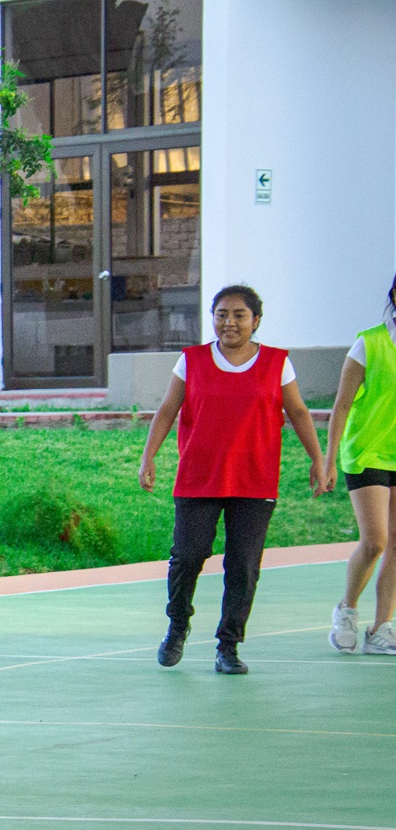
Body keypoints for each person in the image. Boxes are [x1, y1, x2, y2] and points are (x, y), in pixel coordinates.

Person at [139, 284, 327, 674]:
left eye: (239, 315)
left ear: (256, 321)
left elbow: (299, 413)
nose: (230, 322)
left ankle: (228, 645)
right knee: (187, 557)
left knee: (243, 565)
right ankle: (177, 625)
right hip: (199, 478)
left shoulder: (277, 363)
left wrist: (318, 460)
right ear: (212, 318)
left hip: (254, 481)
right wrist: (148, 457)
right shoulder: (191, 361)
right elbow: (167, 410)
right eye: (222, 314)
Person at [324, 273, 396, 654]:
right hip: (366, 450)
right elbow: (341, 405)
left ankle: (382, 628)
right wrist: (329, 458)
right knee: (376, 540)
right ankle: (347, 609)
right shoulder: (370, 342)